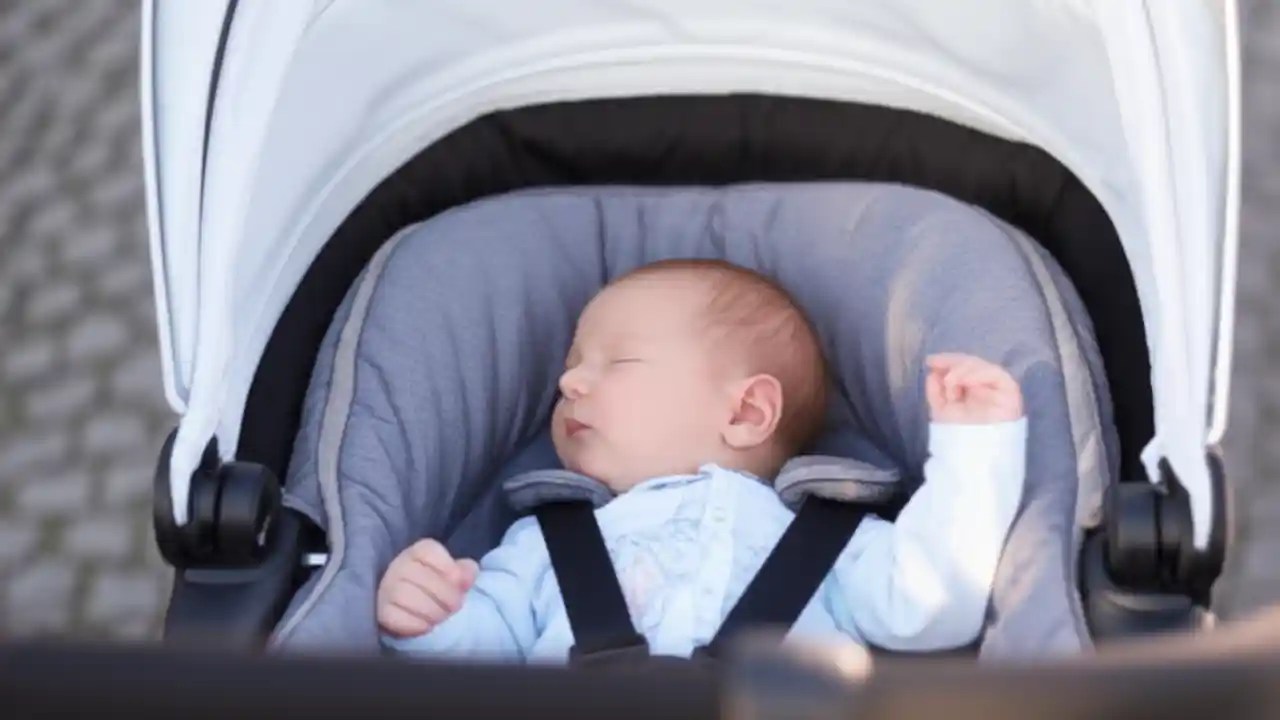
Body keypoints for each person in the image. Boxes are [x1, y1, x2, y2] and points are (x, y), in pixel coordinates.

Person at [377, 259, 1027, 661]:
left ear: (745, 414)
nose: (569, 384)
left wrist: (973, 447)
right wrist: (429, 619)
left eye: (618, 363)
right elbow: (486, 650)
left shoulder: (827, 541)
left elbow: (934, 603)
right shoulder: (542, 542)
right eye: (572, 367)